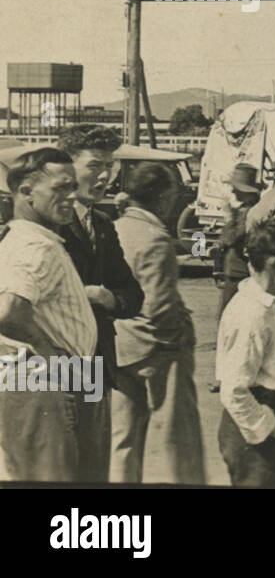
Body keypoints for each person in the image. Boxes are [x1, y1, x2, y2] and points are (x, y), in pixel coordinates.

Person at [0, 148, 99, 482]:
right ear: (26, 192)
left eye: (73, 185)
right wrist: (50, 355)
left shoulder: (21, 237)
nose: (73, 195)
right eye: (61, 188)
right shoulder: (36, 245)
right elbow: (9, 312)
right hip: (49, 377)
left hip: (55, 374)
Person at [55, 124, 145, 481]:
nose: (105, 175)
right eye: (94, 165)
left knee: (93, 467)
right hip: (52, 364)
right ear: (67, 167)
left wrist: (106, 297)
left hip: (95, 363)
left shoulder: (103, 224)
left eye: (111, 166)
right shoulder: (45, 224)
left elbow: (132, 296)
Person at [110, 163, 205, 484]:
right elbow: (159, 305)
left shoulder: (115, 229)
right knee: (178, 437)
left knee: (123, 438)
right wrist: (172, 342)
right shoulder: (155, 239)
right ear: (161, 197)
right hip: (157, 351)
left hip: (119, 346)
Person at [216, 218, 275, 488]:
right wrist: (264, 428)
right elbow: (234, 388)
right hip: (256, 423)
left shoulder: (269, 302)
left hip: (273, 412)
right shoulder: (251, 315)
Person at [211, 162, 262, 393]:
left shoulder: (246, 212)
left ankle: (225, 376)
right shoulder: (245, 210)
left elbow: (229, 239)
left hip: (239, 275)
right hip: (235, 273)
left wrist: (229, 215)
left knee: (228, 326)